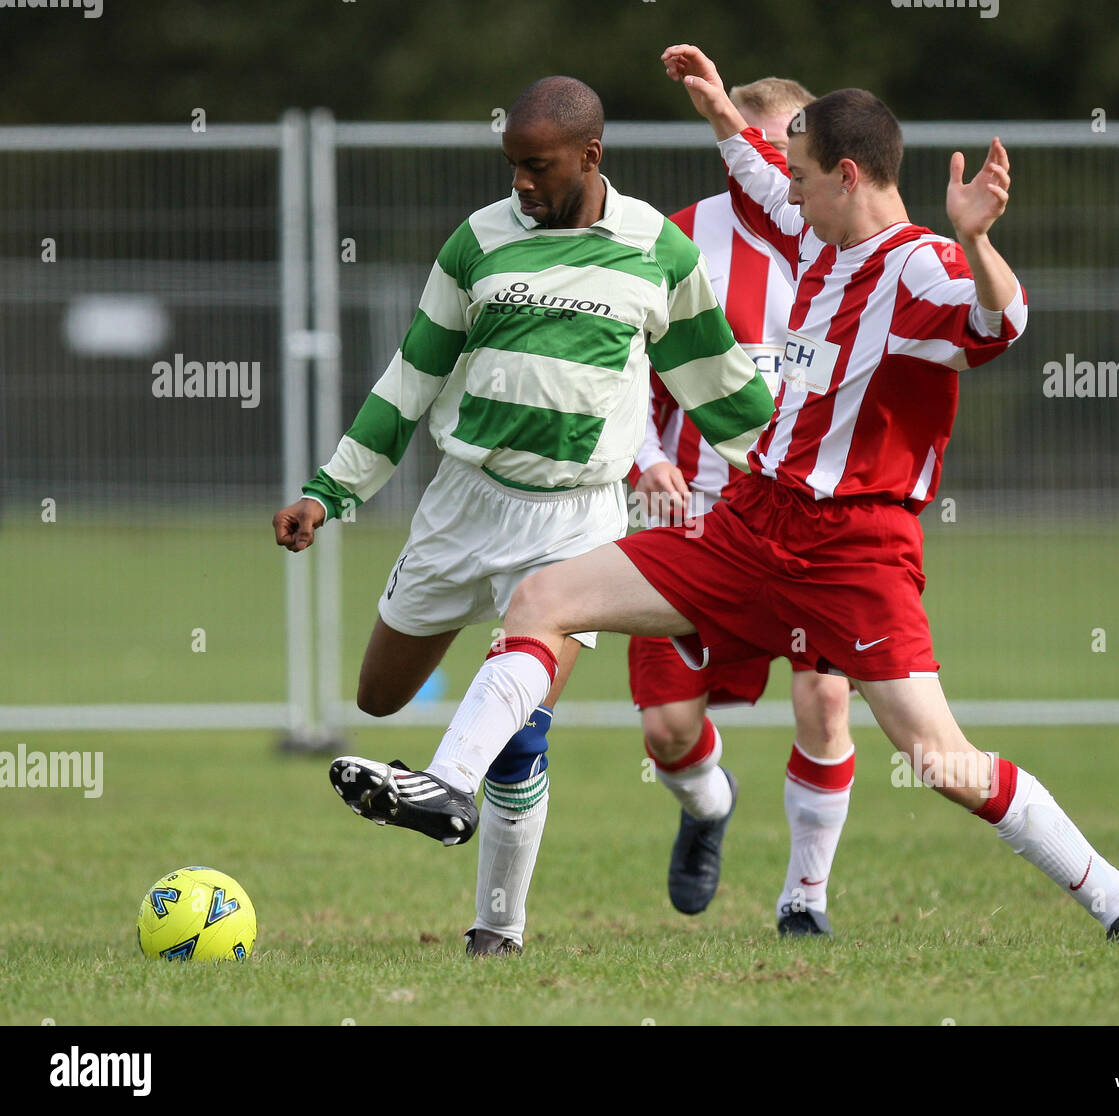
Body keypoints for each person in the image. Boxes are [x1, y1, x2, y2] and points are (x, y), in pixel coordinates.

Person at [329, 46, 1119, 946]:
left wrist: (975, 239)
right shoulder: (824, 230)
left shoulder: (921, 266)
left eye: (803, 177)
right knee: (545, 597)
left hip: (851, 550)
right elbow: (763, 179)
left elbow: (1000, 321)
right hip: (747, 522)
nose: (786, 196)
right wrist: (722, 113)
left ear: (847, 177)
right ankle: (452, 786)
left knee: (938, 760)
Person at [275, 74, 774, 957]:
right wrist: (330, 490)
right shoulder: (476, 242)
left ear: (591, 155)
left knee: (520, 723)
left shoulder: (658, 249)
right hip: (462, 505)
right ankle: (467, 790)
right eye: (511, 166)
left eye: (537, 167)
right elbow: (409, 381)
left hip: (576, 521)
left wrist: (803, 490)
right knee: (379, 697)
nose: (522, 185)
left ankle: (494, 926)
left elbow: (725, 395)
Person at [628, 76, 854, 937]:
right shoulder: (677, 241)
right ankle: (708, 806)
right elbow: (628, 383)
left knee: (826, 703)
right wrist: (646, 460)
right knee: (668, 732)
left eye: (787, 155)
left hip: (806, 525)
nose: (775, 169)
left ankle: (804, 901)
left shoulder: (842, 250)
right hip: (689, 522)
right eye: (758, 149)